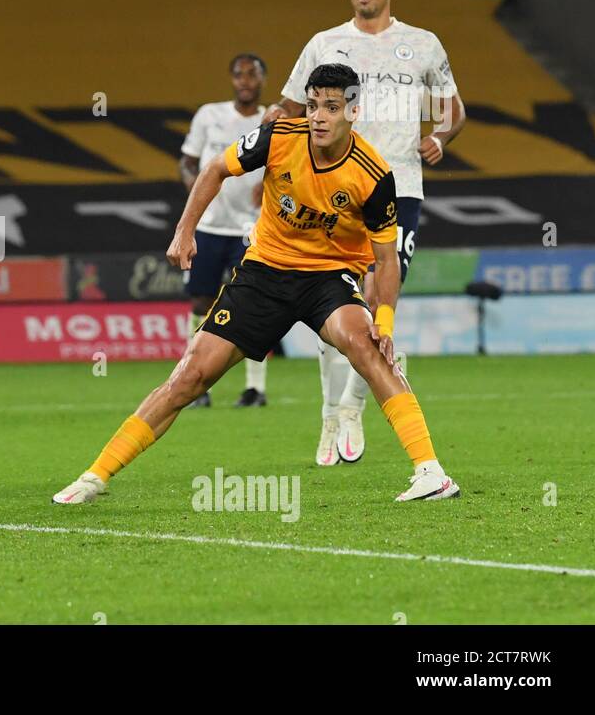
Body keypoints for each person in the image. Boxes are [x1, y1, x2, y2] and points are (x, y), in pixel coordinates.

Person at [53, 64, 460, 505]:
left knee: (368, 345)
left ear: (354, 112)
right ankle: (96, 476)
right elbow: (213, 170)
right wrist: (184, 231)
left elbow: (386, 260)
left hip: (329, 276)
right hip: (264, 272)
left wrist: (386, 320)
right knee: (190, 377)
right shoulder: (279, 137)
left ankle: (430, 473)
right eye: (313, 105)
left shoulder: (373, 174)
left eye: (332, 107)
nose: (319, 116)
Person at [262, 0, 466, 466]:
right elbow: (290, 108)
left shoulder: (422, 44)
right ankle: (331, 411)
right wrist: (269, 127)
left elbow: (454, 110)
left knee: (378, 299)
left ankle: (351, 406)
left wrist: (440, 138)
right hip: (331, 192)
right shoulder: (324, 44)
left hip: (398, 186)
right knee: (333, 309)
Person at [179, 54, 269, 408]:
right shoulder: (209, 115)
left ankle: (254, 388)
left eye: (252, 74)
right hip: (209, 227)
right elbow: (187, 161)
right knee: (201, 301)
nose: (245, 81)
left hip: (251, 229)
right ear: (231, 80)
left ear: (263, 79)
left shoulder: (271, 120)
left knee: (250, 303)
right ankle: (197, 383)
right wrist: (193, 192)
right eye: (239, 75)